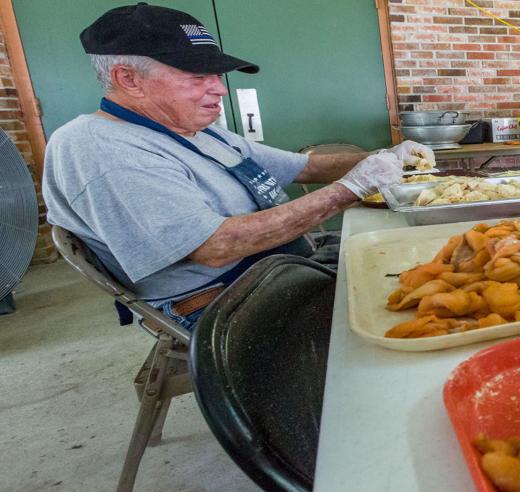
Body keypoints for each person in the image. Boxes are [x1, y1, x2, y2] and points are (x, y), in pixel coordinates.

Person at [42, 3, 416, 331]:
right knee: (417, 305)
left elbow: (304, 168)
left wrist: (387, 156)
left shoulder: (197, 129)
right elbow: (215, 247)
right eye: (197, 77)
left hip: (283, 264)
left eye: (217, 75)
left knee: (416, 257)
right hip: (223, 301)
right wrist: (351, 189)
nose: (220, 89)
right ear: (129, 79)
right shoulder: (100, 147)